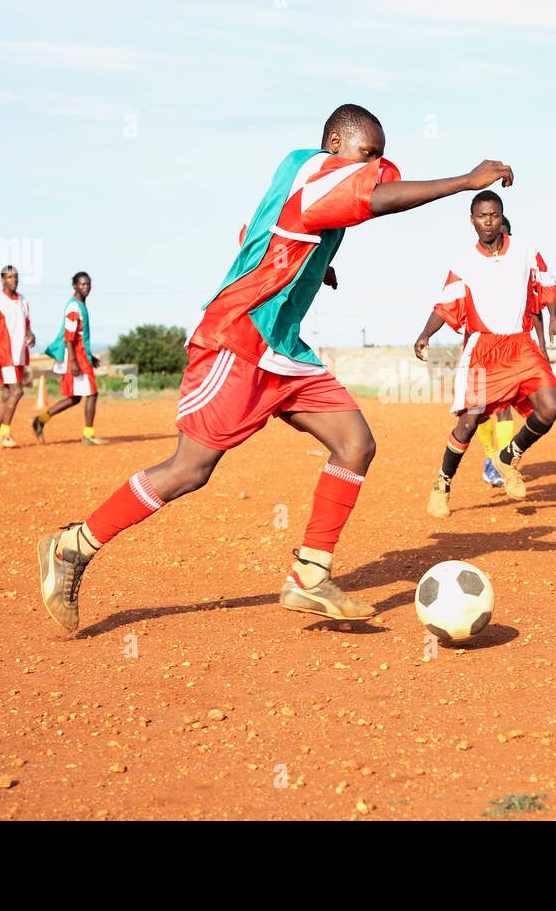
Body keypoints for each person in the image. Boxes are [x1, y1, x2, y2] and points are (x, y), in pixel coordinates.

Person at [35, 103, 513, 632]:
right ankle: (72, 545)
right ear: (335, 143)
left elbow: (260, 227)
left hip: (282, 349)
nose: (375, 163)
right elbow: (375, 200)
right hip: (239, 338)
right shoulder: (320, 174)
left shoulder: (302, 172)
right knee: (190, 470)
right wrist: (465, 181)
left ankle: (310, 575)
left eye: (379, 155)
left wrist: (312, 263)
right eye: (367, 153)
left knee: (356, 443)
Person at [415, 190, 556, 518]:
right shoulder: (463, 263)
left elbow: (547, 284)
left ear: (502, 216)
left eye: (494, 215)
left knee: (551, 406)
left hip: (522, 345)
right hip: (484, 350)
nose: (489, 222)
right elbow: (445, 304)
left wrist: (555, 320)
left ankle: (508, 456)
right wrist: (426, 334)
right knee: (469, 422)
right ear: (472, 220)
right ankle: (443, 484)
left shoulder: (525, 250)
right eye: (482, 216)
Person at [478, 215, 556, 486]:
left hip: (515, 348)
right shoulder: (475, 264)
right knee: (478, 408)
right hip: (481, 344)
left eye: (502, 236)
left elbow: (534, 308)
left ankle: (498, 461)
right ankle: (490, 455)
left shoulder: (521, 268)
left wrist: (543, 345)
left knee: (504, 406)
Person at [34, 271, 108, 445]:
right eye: (82, 284)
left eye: (88, 284)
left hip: (83, 355)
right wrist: (74, 362)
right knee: (92, 393)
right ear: (74, 286)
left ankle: (41, 419)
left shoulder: (81, 304)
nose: (86, 287)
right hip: (76, 357)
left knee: (75, 398)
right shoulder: (73, 306)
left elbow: (81, 336)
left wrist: (91, 356)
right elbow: (69, 337)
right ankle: (88, 435)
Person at [0, 265, 34, 447]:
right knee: (17, 391)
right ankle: (5, 434)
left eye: (16, 277)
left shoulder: (23, 300)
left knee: (6, 394)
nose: (14, 280)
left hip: (19, 354)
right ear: (2, 280)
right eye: (10, 277)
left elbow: (26, 324)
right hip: (5, 354)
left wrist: (30, 334)